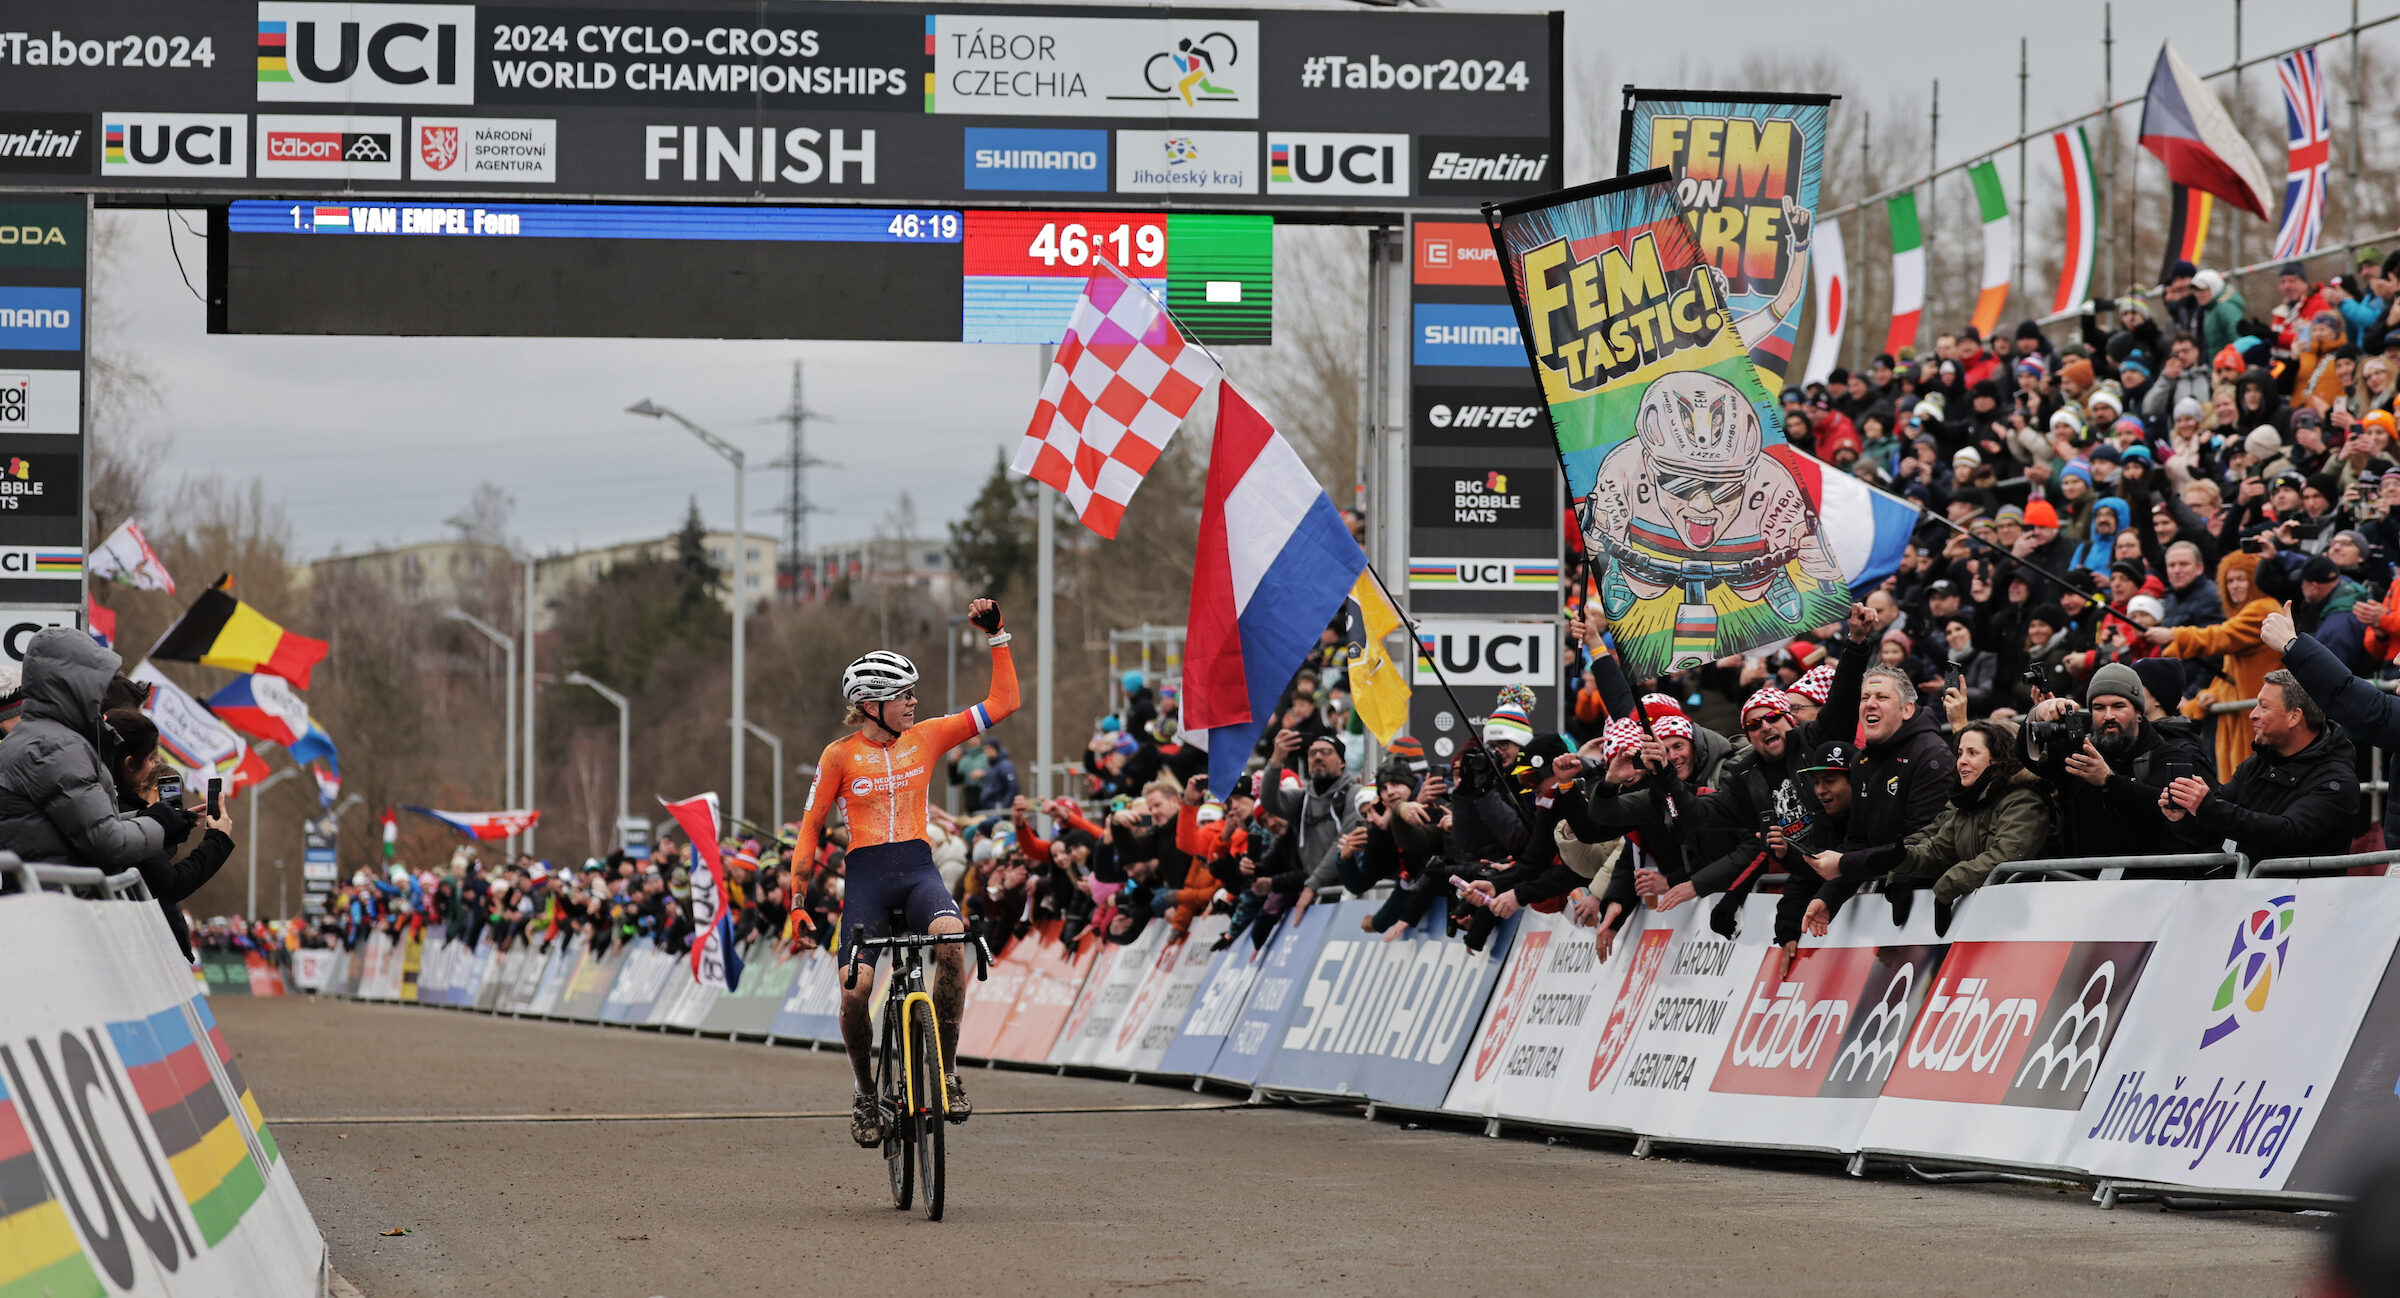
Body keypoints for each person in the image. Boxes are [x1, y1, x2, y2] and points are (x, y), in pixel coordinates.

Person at [793, 597, 1014, 1147]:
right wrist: (798, 901)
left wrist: (997, 636)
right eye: (903, 695)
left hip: (919, 873)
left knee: (951, 942)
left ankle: (947, 1072)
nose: (914, 701)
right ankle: (866, 1093)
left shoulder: (929, 736)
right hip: (866, 884)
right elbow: (811, 827)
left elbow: (1004, 702)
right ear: (869, 705)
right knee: (854, 993)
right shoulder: (838, 756)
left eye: (913, 692)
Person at [0, 629, 185, 890]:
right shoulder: (56, 747)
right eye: (96, 682)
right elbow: (107, 842)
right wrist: (161, 824)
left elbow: (84, 824)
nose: (102, 693)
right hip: (63, 903)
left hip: (50, 898)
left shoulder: (40, 738)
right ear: (74, 685)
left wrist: (150, 816)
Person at [2159, 669, 2358, 864]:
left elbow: (2289, 834)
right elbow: (2213, 832)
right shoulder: (2257, 763)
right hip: (2244, 884)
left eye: (2264, 707)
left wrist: (2209, 807)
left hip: (2296, 887)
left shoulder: (2336, 781)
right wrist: (2185, 817)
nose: (2252, 714)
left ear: (2294, 716)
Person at [1882, 719, 2052, 935]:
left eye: (1972, 753)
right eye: (1960, 753)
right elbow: (1937, 852)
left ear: (1997, 759)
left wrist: (1949, 884)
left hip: (2031, 924)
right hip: (1990, 922)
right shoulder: (1968, 806)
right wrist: (1901, 858)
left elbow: (2005, 857)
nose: (1962, 761)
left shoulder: (2023, 801)